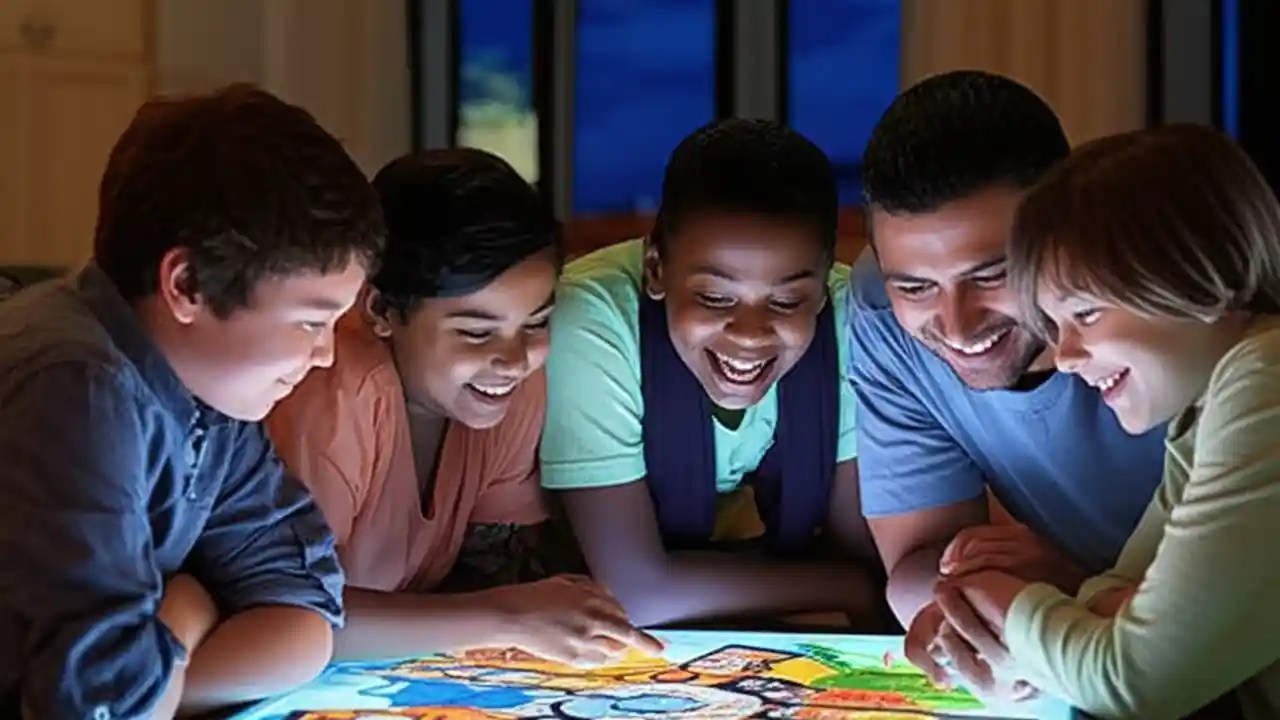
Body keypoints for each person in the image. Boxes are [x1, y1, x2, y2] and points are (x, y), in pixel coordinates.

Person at [0, 85, 385, 718]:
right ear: (187, 286)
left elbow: (305, 614)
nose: (325, 356)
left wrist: (163, 655)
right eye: (312, 322)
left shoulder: (206, 390)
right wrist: (189, 604)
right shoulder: (77, 389)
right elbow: (103, 705)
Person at [937, 123, 1280, 720]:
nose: (1065, 358)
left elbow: (1138, 684)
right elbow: (1114, 592)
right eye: (1054, 324)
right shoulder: (1201, 410)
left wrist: (1007, 609)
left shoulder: (1266, 377)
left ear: (1194, 271)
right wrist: (1087, 627)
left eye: (1087, 313)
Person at [268, 148, 660, 666]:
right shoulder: (335, 393)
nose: (515, 359)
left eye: (537, 323)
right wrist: (509, 618)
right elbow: (283, 617)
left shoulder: (510, 389)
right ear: (382, 309)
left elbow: (495, 572)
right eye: (476, 333)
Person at [847, 70, 1166, 694]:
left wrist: (1060, 591)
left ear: (1070, 226)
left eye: (993, 274)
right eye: (914, 286)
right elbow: (917, 560)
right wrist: (960, 617)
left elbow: (1212, 615)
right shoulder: (881, 311)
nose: (957, 324)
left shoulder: (1181, 317)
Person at [540, 118, 881, 628]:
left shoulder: (850, 319)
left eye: (788, 300)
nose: (749, 333)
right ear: (656, 269)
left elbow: (871, 557)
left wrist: (858, 582)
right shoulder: (594, 320)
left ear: (826, 279)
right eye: (714, 298)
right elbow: (635, 593)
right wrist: (845, 587)